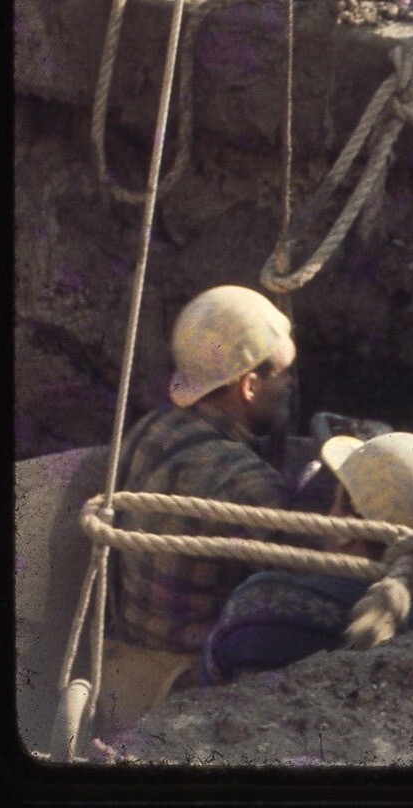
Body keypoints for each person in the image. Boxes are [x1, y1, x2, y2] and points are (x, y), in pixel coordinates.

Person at [97, 285, 296, 730]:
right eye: (283, 373)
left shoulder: (151, 428)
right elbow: (293, 593)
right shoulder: (250, 484)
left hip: (119, 668)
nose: (290, 384)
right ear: (248, 386)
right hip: (181, 690)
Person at [201, 432, 413, 684]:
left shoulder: (262, 603)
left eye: (335, 502)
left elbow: (209, 681)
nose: (328, 514)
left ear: (347, 531)